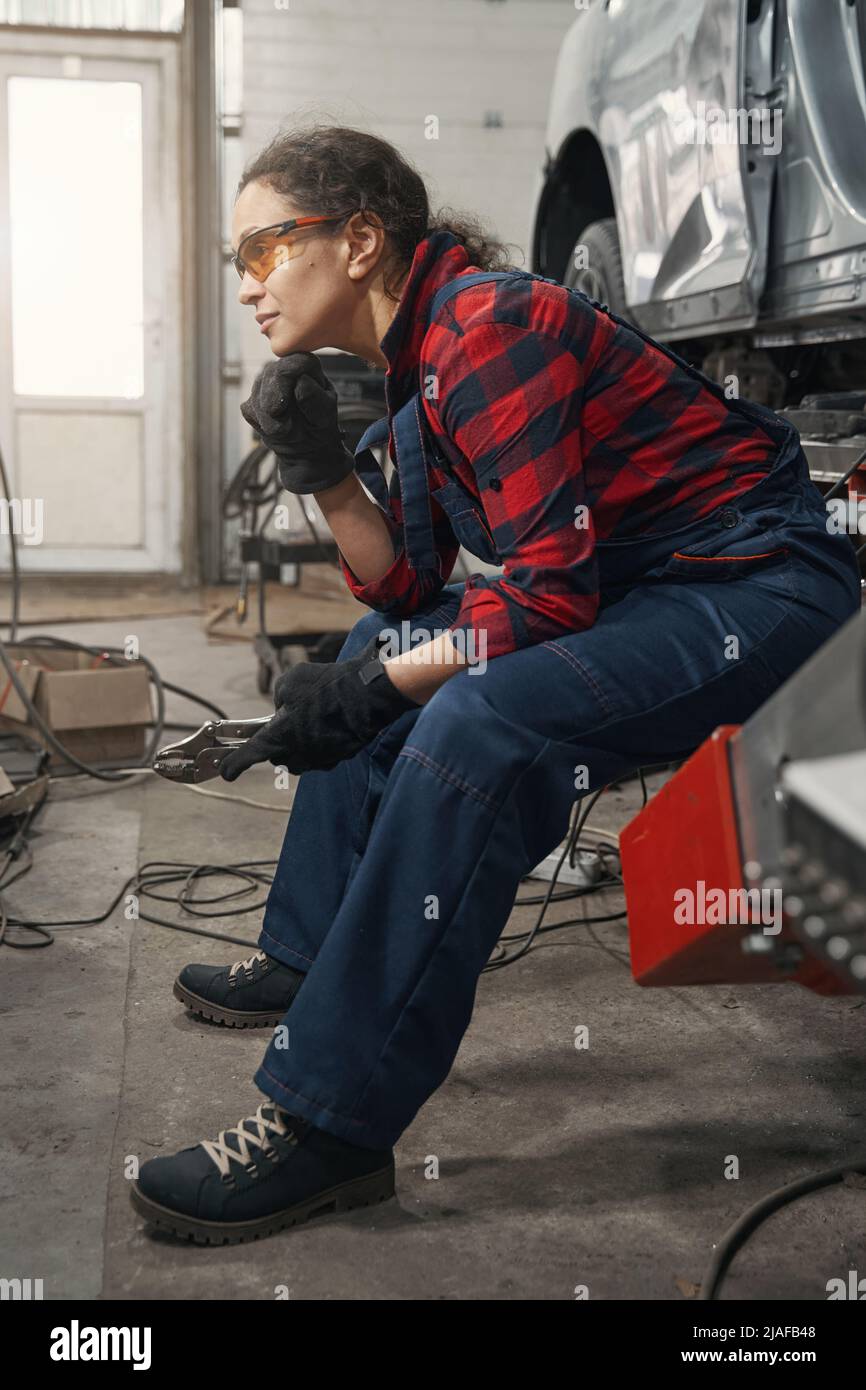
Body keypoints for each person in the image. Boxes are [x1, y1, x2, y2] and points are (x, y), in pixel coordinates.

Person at [131, 125, 862, 1244]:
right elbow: (407, 584)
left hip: (756, 585)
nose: (246, 286)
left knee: (474, 718)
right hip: (646, 586)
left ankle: (329, 1122)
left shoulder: (485, 328)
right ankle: (311, 958)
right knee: (365, 662)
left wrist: (388, 694)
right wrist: (320, 471)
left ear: (361, 241)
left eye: (263, 249)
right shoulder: (415, 366)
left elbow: (547, 596)